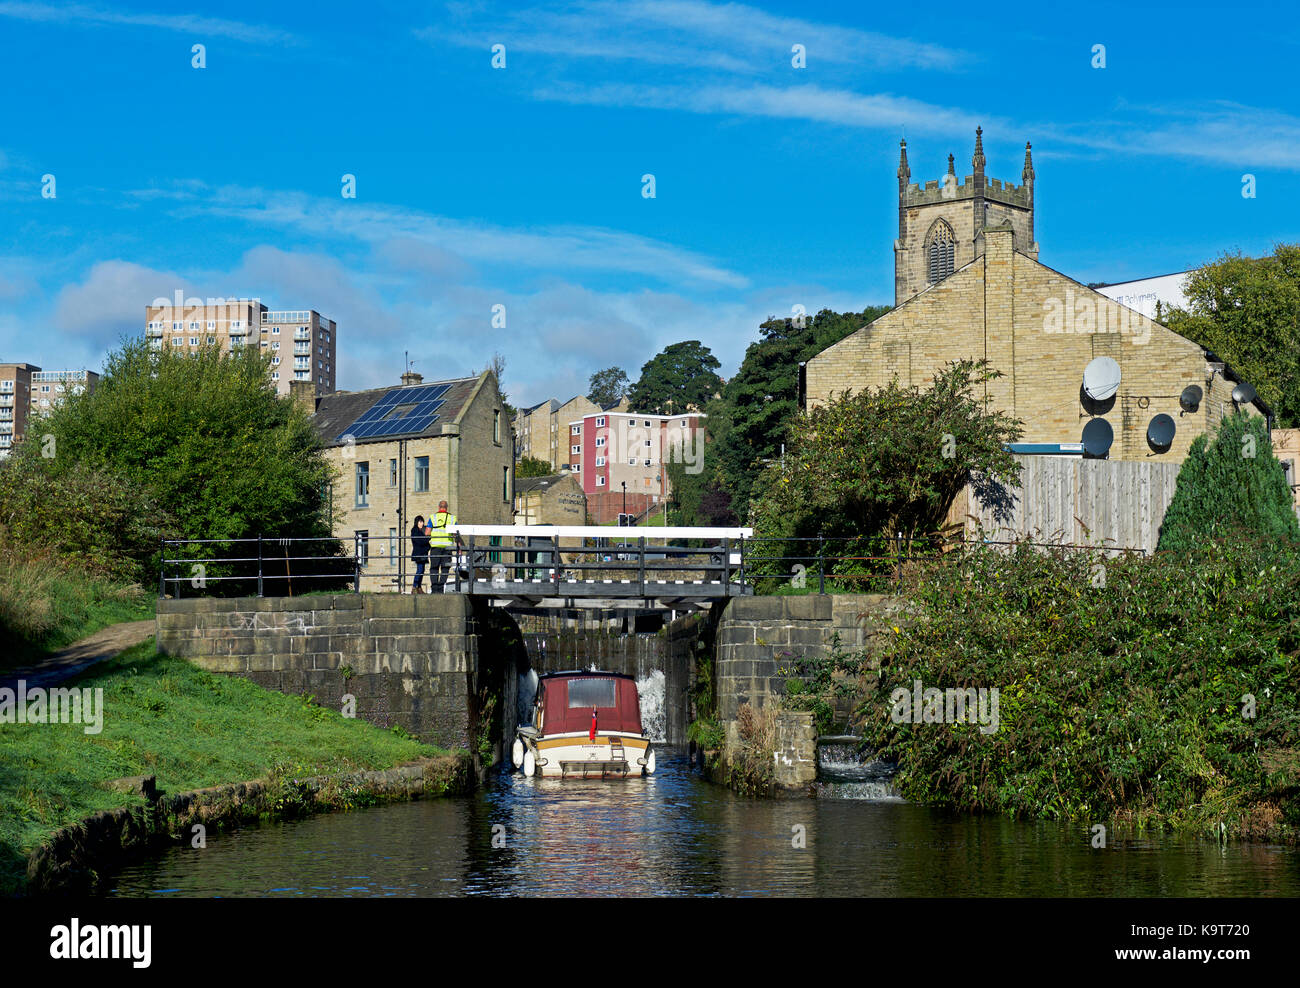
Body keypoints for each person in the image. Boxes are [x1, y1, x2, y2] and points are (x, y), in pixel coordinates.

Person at [427, 499, 460, 592]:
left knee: (434, 568)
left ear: (439, 507)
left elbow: (427, 532)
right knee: (445, 569)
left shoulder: (433, 517)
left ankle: (434, 589)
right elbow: (456, 534)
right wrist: (459, 547)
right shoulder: (452, 518)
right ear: (447, 508)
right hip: (447, 548)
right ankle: (441, 589)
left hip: (435, 547)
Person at [410, 514, 430, 594]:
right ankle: (414, 587)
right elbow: (420, 541)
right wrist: (427, 539)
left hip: (422, 553)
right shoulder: (415, 530)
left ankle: (419, 587)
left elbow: (423, 541)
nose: (422, 523)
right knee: (420, 570)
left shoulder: (421, 530)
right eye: (420, 522)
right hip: (419, 553)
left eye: (422, 522)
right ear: (417, 522)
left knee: (422, 570)